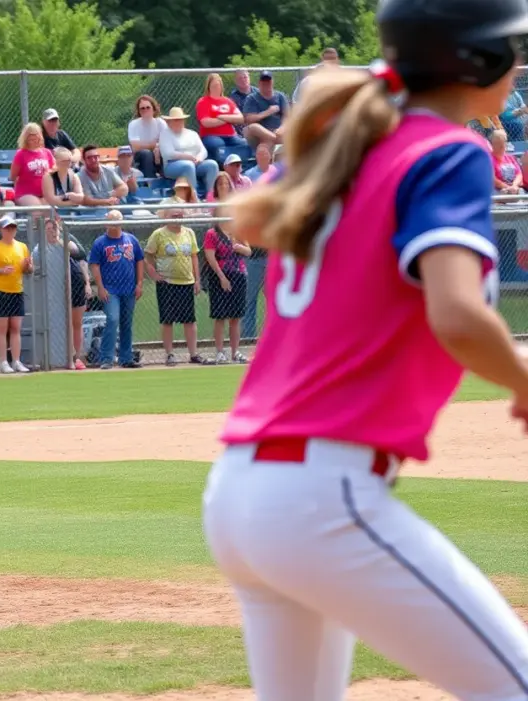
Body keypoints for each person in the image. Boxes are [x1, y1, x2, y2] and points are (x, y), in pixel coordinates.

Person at [202, 0, 528, 697]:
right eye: (513, 47)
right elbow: (459, 317)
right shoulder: (449, 150)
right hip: (321, 498)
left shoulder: (348, 147)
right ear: (480, 60)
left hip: (240, 490)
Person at [144, 205, 208, 366]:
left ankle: (193, 353)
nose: (178, 218)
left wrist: (197, 279)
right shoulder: (158, 234)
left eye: (180, 215)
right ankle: (170, 354)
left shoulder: (189, 233)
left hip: (186, 282)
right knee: (167, 320)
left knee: (190, 320)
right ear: (166, 217)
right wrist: (154, 274)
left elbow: (194, 256)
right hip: (167, 283)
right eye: (174, 215)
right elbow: (148, 256)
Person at [33, 218, 92, 370]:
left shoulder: (66, 243)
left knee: (76, 323)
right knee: (60, 324)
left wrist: (87, 284)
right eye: (49, 229)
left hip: (76, 284)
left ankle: (76, 357)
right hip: (56, 290)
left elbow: (81, 260)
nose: (52, 232)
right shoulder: (40, 249)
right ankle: (62, 357)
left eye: (55, 229)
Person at [88, 210, 144, 370]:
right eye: (111, 221)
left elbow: (140, 260)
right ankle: (106, 358)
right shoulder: (100, 242)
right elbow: (94, 264)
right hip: (110, 289)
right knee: (112, 319)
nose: (114, 225)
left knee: (127, 322)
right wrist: (100, 287)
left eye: (116, 221)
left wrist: (139, 283)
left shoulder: (131, 240)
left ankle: (126, 358)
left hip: (128, 288)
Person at [0, 213, 33, 373]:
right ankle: (3, 362)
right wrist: (0, 270)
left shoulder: (22, 247)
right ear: (1, 230)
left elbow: (29, 270)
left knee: (16, 327)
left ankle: (16, 361)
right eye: (7, 228)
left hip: (17, 291)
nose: (10, 230)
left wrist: (28, 266)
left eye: (13, 228)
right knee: (2, 328)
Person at [203, 220, 251, 364]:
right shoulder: (212, 234)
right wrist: (222, 277)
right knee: (220, 316)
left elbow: (249, 251)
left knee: (236, 317)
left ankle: (235, 352)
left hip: (239, 275)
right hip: (220, 276)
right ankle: (220, 352)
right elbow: (210, 257)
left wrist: (241, 248)